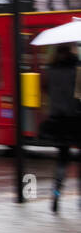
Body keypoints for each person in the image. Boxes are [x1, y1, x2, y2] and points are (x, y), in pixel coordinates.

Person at [42, 43, 81, 212]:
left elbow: (46, 91)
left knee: (62, 160)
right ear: (70, 50)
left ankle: (56, 195)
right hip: (76, 120)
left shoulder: (50, 71)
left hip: (58, 121)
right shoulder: (77, 70)